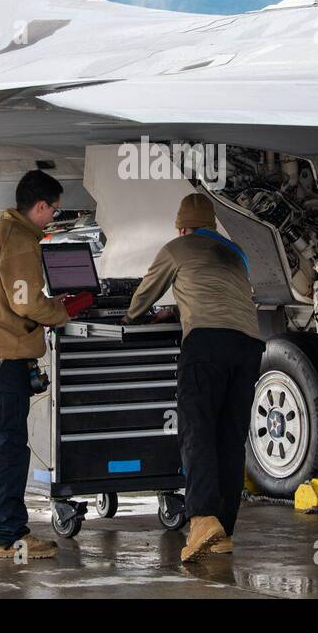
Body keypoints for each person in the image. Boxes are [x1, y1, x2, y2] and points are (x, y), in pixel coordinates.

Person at [0, 170, 93, 559]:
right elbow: (25, 302)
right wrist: (59, 312)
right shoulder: (20, 241)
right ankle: (10, 536)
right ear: (39, 206)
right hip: (5, 355)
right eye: (53, 209)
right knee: (9, 445)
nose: (53, 216)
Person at [125, 192, 263, 562]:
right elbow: (223, 294)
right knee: (229, 440)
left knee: (197, 431)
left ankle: (202, 519)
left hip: (207, 345)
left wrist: (132, 317)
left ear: (182, 226)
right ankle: (223, 529)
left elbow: (141, 300)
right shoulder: (235, 253)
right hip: (249, 346)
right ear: (213, 224)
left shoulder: (178, 247)